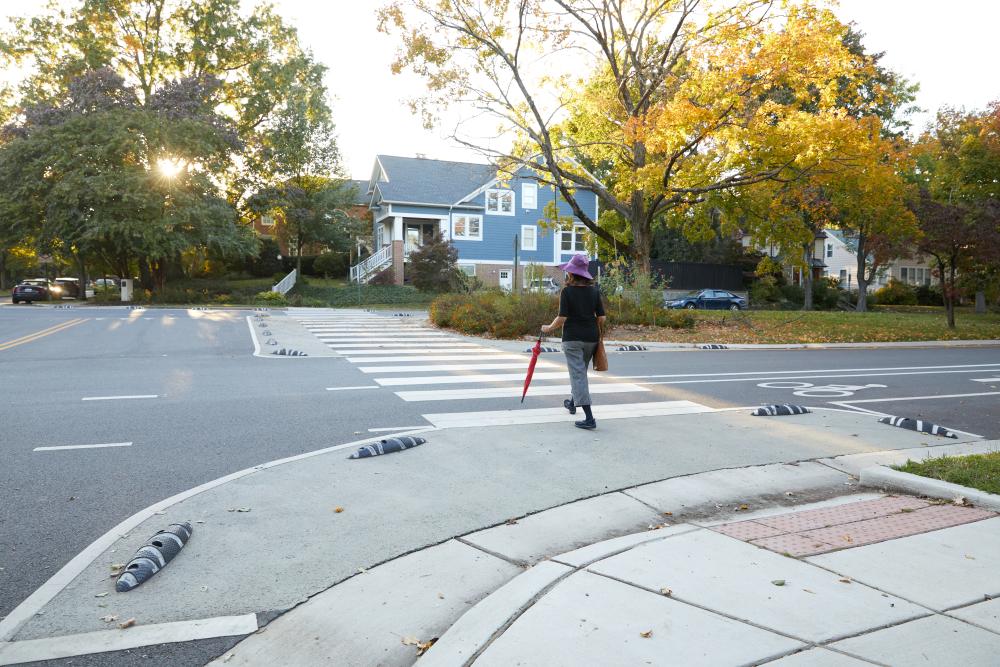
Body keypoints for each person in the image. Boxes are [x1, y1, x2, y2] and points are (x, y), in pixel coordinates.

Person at [541, 254, 606, 430]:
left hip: (573, 339)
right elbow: (601, 317)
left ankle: (589, 418)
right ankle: (572, 403)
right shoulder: (594, 291)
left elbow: (562, 318)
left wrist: (547, 328)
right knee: (580, 373)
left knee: (578, 375)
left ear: (571, 273)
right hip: (591, 339)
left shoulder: (567, 292)